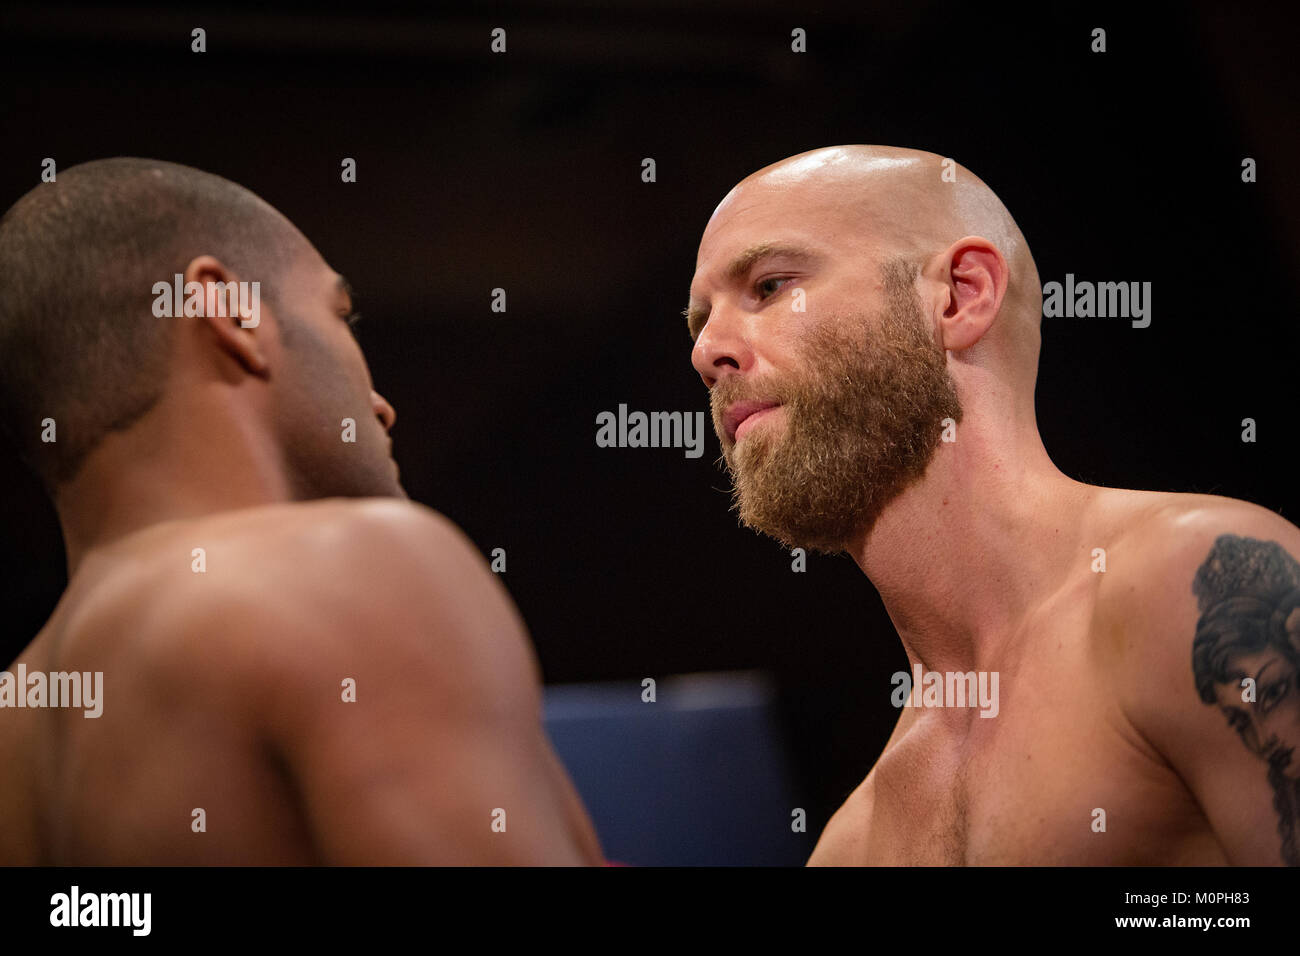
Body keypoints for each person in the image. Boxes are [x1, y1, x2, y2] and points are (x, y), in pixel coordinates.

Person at [684, 144, 1300, 864]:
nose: (708, 352)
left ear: (959, 295)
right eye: (699, 322)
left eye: (768, 285)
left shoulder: (1199, 583)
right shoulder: (853, 846)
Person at [0, 158, 602, 865]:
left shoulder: (18, 714)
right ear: (229, 313)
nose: (381, 405)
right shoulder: (354, 569)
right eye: (339, 315)